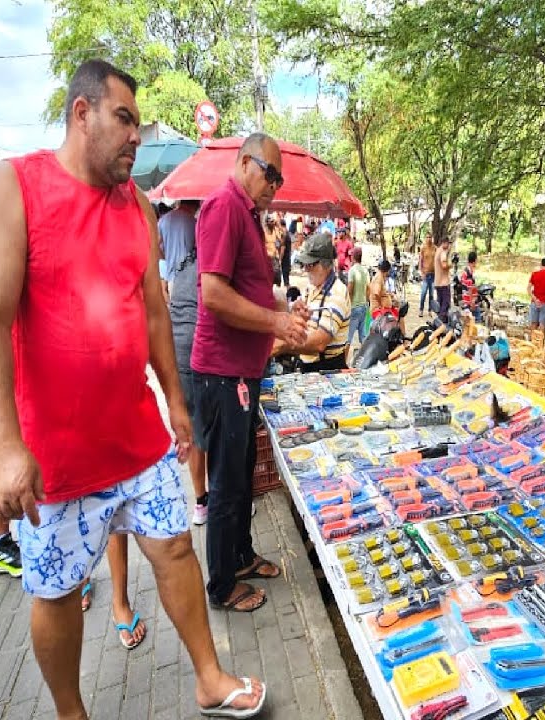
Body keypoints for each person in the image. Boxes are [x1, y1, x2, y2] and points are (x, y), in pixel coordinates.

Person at [0, 60, 268, 717]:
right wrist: (4, 446)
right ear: (82, 113)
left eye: (137, 121)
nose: (136, 134)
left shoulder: (136, 206)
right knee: (57, 592)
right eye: (124, 118)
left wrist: (176, 400)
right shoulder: (12, 189)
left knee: (178, 547)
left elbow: (153, 308)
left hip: (138, 438)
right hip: (57, 461)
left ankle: (209, 678)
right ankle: (73, 712)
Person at [192, 132, 308, 622]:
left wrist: (284, 307)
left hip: (242, 369)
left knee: (241, 478)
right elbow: (214, 295)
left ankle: (240, 556)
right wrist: (277, 323)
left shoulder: (249, 214)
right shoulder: (223, 206)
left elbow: (252, 289)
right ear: (244, 163)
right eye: (270, 173)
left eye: (279, 179)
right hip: (222, 372)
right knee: (225, 482)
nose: (275, 186)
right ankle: (220, 584)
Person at [166, 203, 211, 527]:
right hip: (200, 357)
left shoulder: (180, 267)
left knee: (196, 431)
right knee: (215, 430)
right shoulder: (209, 269)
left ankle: (201, 502)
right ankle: (221, 499)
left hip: (178, 356)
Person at [281, 234, 351, 372]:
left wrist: (282, 345)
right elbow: (306, 326)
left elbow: (319, 342)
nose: (306, 269)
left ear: (326, 265)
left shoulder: (337, 294)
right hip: (307, 366)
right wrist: (297, 315)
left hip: (327, 369)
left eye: (311, 265)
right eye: (304, 264)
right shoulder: (312, 287)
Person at [159, 199, 200, 298]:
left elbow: (155, 246)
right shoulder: (195, 223)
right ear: (195, 206)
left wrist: (167, 257)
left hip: (171, 278)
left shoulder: (163, 220)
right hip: (190, 281)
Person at [346, 246, 369, 347]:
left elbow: (350, 289)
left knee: (348, 338)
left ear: (353, 257)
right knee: (363, 336)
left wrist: (348, 305)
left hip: (354, 307)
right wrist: (367, 302)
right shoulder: (365, 271)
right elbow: (368, 288)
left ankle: (344, 361)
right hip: (363, 306)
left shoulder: (352, 271)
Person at [528, 258, 545, 330]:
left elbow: (528, 288)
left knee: (533, 323)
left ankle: (532, 340)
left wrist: (534, 298)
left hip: (534, 302)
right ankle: (539, 340)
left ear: (540, 264)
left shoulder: (534, 274)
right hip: (544, 302)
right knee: (542, 325)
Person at [433, 237, 453, 324]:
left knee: (440, 303)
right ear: (445, 243)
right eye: (448, 244)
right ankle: (442, 322)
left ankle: (439, 321)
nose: (449, 246)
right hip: (444, 283)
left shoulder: (437, 250)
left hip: (438, 282)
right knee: (446, 303)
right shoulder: (443, 253)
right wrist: (451, 265)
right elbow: (444, 265)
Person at [418, 233, 436, 316]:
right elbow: (420, 261)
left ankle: (430, 310)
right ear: (425, 238)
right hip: (425, 274)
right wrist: (421, 272)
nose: (429, 238)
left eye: (430, 237)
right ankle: (421, 309)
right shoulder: (423, 248)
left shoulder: (435, 248)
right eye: (427, 237)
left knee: (431, 294)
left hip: (433, 274)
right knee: (423, 293)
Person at [459, 251, 480, 321]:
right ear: (474, 261)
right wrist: (472, 303)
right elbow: (470, 289)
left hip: (466, 302)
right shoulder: (469, 273)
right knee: (477, 323)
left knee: (468, 325)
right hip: (471, 303)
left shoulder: (465, 271)